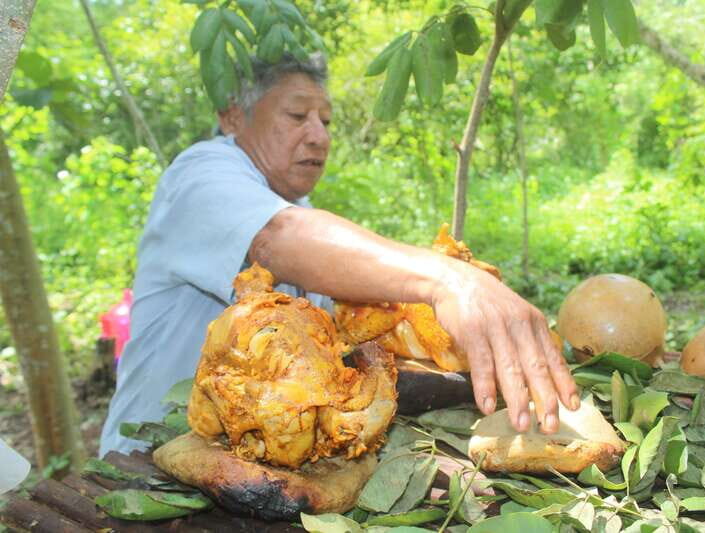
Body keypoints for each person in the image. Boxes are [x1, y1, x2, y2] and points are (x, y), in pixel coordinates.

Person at [99, 54, 579, 456]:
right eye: (297, 115)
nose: (319, 135)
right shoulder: (202, 173)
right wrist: (447, 279)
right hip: (148, 458)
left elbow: (344, 308)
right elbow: (277, 236)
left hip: (251, 457)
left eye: (325, 121)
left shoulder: (301, 208)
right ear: (233, 116)